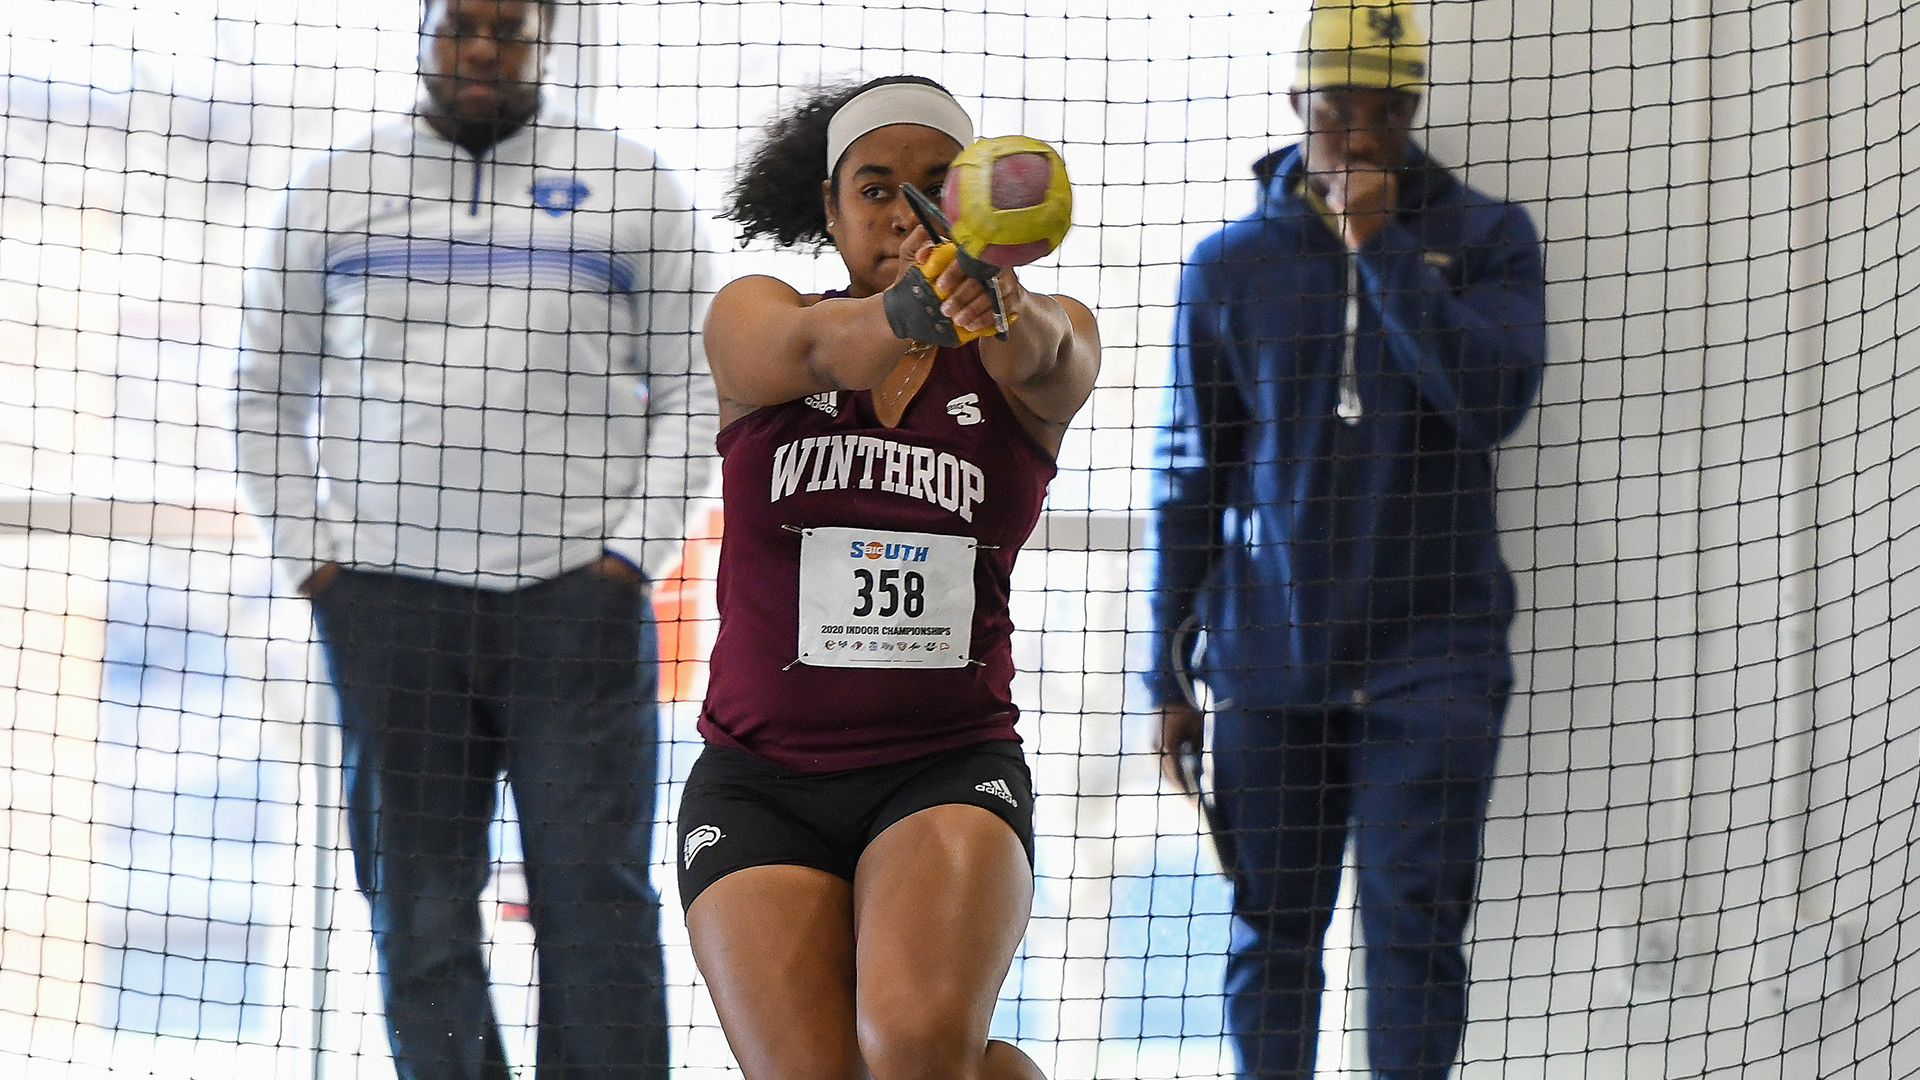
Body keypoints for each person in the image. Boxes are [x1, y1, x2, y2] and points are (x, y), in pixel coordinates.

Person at [235, 1, 714, 1077]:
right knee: (420, 916)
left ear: (545, 39)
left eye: (510, 28)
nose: (484, 48)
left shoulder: (632, 184)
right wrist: (321, 566)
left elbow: (697, 388)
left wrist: (630, 558)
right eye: (462, 25)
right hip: (389, 609)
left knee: (596, 909)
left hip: (575, 611)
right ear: (424, 32)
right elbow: (263, 391)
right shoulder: (334, 187)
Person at [1147, 2, 1547, 1078]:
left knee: (1415, 936)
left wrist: (1383, 253)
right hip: (1272, 664)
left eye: (1388, 110)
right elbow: (1189, 478)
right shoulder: (1228, 265)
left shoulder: (1487, 240)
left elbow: (1489, 402)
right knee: (1270, 936)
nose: (1362, 135)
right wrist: (1165, 675)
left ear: (1414, 112)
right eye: (1339, 110)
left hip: (1436, 662)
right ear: (1298, 109)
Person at [674, 76, 1099, 1080]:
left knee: (912, 1048)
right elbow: (824, 346)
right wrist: (916, 306)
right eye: (875, 188)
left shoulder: (1018, 343)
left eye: (934, 187)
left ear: (971, 204)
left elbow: (1062, 358)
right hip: (758, 782)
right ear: (829, 209)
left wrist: (1001, 307)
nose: (905, 212)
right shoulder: (756, 315)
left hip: (944, 766)